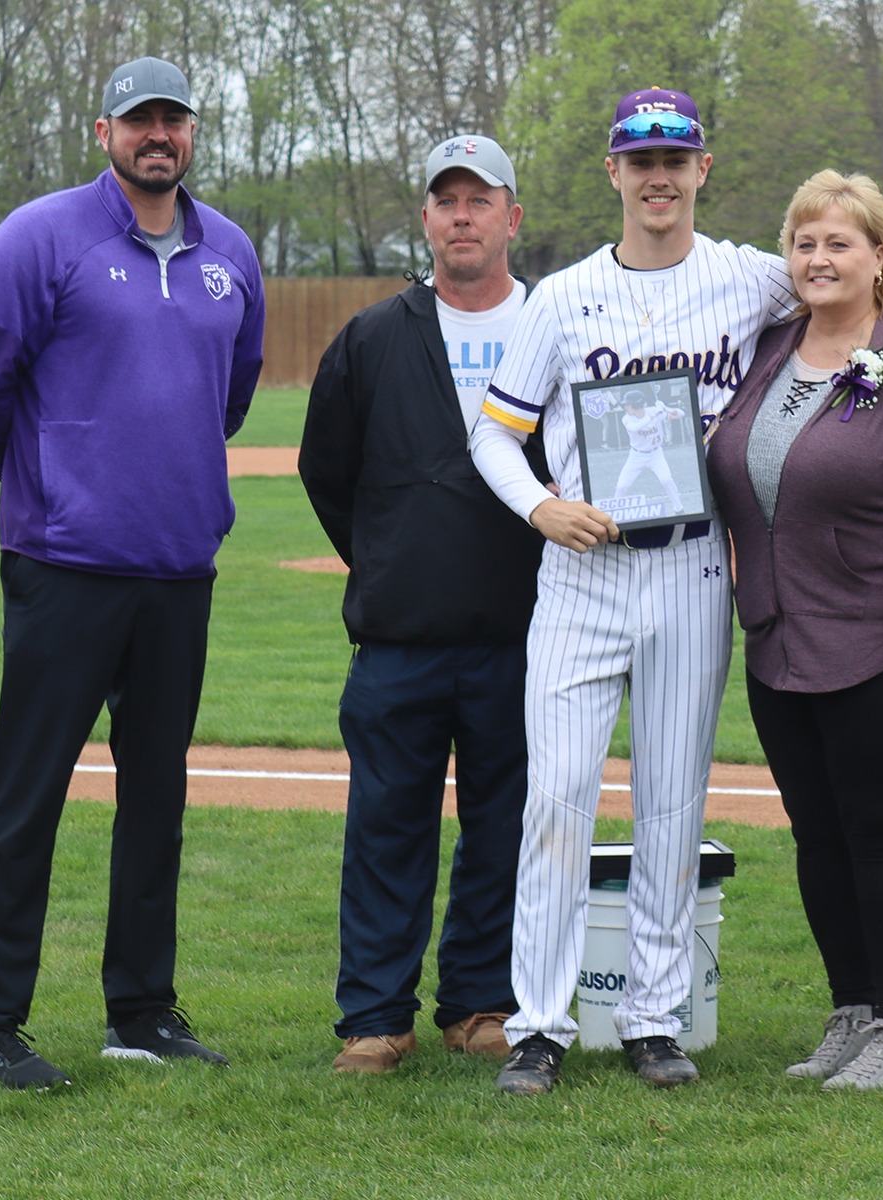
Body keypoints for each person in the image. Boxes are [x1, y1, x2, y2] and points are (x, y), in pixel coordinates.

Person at [469, 86, 883, 1096]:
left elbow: (860, 303)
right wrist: (534, 507)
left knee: (671, 804)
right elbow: (493, 430)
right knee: (556, 798)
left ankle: (653, 1016)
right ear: (613, 174)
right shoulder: (559, 296)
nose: (658, 177)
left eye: (675, 159)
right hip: (581, 570)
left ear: (703, 171)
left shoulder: (752, 281)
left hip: (692, 566)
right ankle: (540, 1026)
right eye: (640, 161)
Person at [0, 56, 265, 1089]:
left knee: (157, 799)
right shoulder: (41, 237)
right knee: (24, 798)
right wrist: (58, 482)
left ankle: (141, 1010)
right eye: (139, 121)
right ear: (105, 132)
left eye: (172, 119)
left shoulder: (232, 255)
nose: (156, 135)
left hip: (180, 569)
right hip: (64, 567)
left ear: (191, 132)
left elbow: (232, 392)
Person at [706, 170, 883, 1090]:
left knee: (881, 835)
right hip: (779, 645)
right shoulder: (781, 351)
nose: (819, 259)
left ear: (879, 259)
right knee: (819, 839)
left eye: (840, 243)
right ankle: (853, 1012)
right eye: (804, 243)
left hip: (876, 655)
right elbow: (809, 459)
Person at [298, 135, 547, 1074]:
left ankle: (480, 1003)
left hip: (523, 634)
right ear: (427, 219)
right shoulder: (373, 337)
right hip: (399, 642)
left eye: (480, 200)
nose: (462, 217)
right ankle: (375, 1014)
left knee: (504, 829)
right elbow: (328, 471)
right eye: (446, 201)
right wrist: (390, 561)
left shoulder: (551, 324)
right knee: (385, 830)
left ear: (511, 216)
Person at [612, 388, 685, 513]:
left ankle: (679, 509)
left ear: (636, 404)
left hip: (656, 455)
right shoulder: (627, 418)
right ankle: (614, 512)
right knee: (622, 486)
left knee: (666, 480)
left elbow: (681, 414)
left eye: (628, 404)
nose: (626, 407)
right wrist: (654, 414)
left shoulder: (654, 411)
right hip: (636, 456)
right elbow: (635, 428)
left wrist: (666, 409)